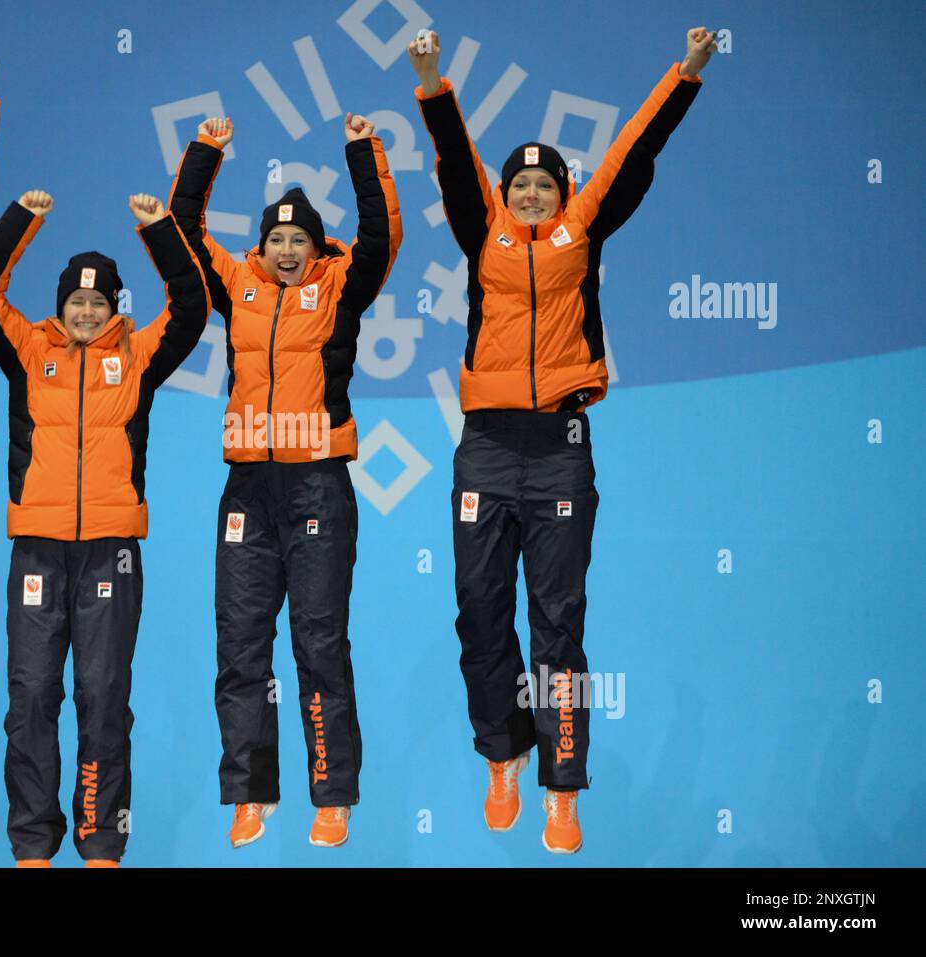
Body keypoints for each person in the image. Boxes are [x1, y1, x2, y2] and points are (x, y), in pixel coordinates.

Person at [408, 26, 717, 853]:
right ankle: (503, 753)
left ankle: (562, 784)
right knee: (479, 614)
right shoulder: (485, 236)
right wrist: (434, 81)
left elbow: (634, 152)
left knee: (559, 620)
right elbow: (452, 155)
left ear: (562, 190)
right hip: (483, 442)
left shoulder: (585, 231)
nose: (535, 195)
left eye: (546, 184)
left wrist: (684, 73)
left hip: (560, 446)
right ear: (505, 195)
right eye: (523, 185)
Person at [168, 113, 402, 849]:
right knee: (239, 645)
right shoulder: (236, 287)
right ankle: (249, 792)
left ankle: (331, 794)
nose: (289, 250)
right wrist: (206, 152)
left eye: (301, 239)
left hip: (317, 488)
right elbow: (181, 226)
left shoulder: (339, 289)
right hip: (247, 489)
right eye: (277, 239)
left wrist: (364, 151)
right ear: (261, 246)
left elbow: (381, 233)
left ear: (315, 247)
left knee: (318, 643)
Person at [0, 191, 209, 867]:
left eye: (100, 302)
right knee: (32, 697)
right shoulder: (25, 348)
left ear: (115, 308)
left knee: (102, 699)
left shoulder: (136, 356)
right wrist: (23, 220)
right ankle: (32, 846)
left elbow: (192, 304)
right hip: (37, 548)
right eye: (77, 299)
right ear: (61, 302)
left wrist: (158, 228)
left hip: (111, 552)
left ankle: (100, 842)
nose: (87, 310)